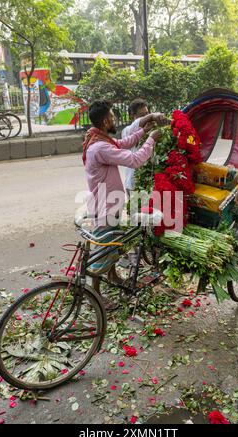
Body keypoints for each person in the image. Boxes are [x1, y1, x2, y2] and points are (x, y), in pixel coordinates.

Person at [82, 100, 165, 308]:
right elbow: (136, 160)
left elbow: (122, 143)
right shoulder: (100, 147)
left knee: (113, 245)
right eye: (112, 116)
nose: (114, 119)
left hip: (110, 204)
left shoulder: (98, 139)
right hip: (105, 207)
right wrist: (152, 139)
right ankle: (95, 297)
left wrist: (142, 132)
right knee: (102, 252)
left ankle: (113, 276)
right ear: (104, 120)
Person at [122, 98, 150, 197]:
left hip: (149, 183)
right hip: (134, 184)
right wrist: (153, 116)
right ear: (132, 117)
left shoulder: (151, 130)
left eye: (147, 113)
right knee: (136, 212)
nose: (147, 118)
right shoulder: (127, 130)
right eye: (142, 115)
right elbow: (138, 123)